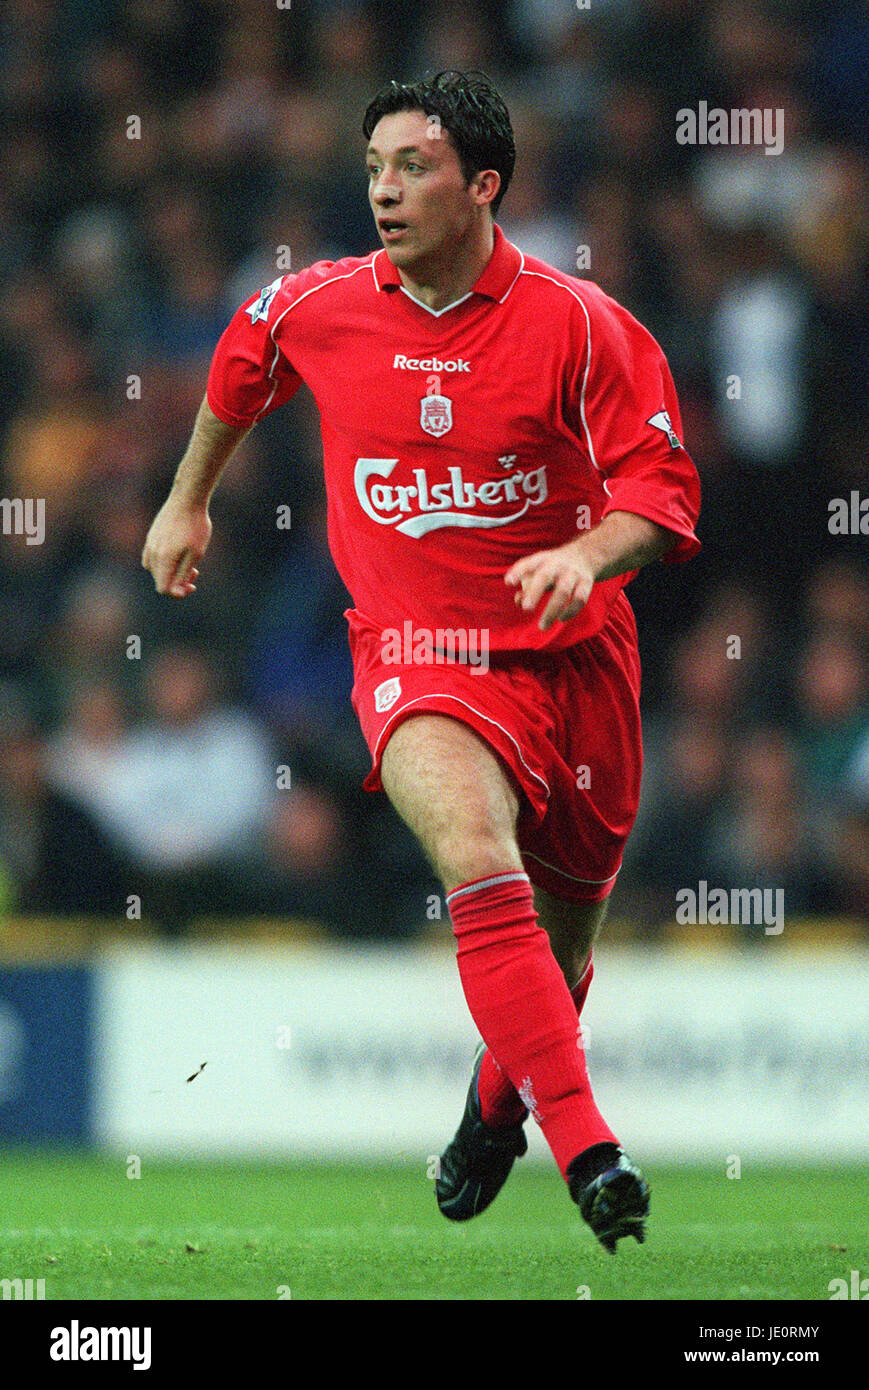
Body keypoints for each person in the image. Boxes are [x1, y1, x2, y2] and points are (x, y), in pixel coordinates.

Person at [142, 71, 700, 1252]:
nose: (383, 191)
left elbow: (662, 493)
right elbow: (241, 362)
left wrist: (589, 554)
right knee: (472, 849)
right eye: (372, 169)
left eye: (412, 168)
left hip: (575, 652)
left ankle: (495, 1103)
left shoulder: (582, 324)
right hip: (417, 649)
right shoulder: (319, 304)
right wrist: (188, 499)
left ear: (482, 184)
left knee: (561, 942)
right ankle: (589, 1147)